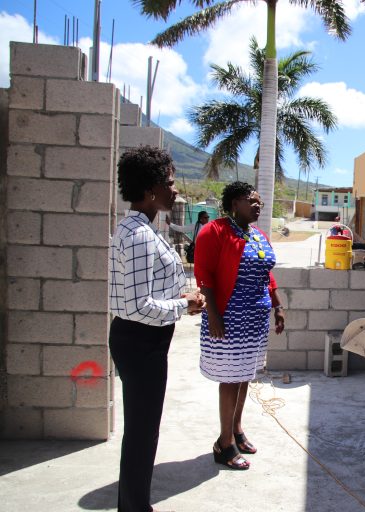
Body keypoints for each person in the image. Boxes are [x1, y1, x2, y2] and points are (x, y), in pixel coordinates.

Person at [108, 146, 206, 512]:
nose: (175, 189)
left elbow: (146, 294)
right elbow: (137, 306)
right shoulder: (137, 236)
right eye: (169, 183)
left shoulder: (142, 229)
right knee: (141, 435)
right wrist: (185, 304)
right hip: (140, 342)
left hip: (143, 340)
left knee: (143, 432)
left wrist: (179, 296)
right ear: (150, 190)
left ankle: (133, 505)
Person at [193, 181, 286, 470]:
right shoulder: (215, 231)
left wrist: (277, 306)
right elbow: (204, 275)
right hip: (229, 318)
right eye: (251, 201)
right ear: (235, 203)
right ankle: (223, 443)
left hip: (254, 321)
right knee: (230, 378)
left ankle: (236, 429)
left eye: (259, 201)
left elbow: (266, 274)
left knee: (244, 376)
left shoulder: (258, 235)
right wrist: (213, 316)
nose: (258, 205)